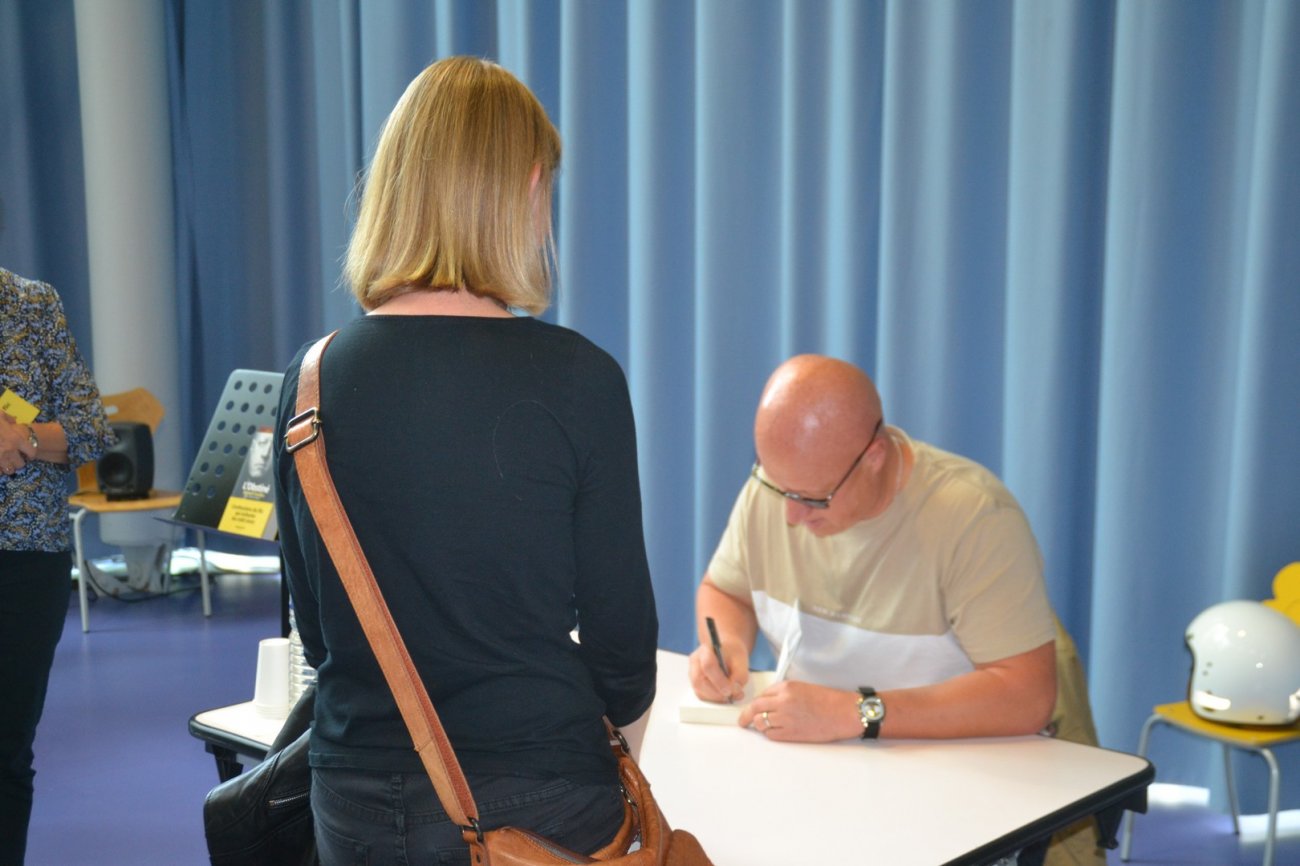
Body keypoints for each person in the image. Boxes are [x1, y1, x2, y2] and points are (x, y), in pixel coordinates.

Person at [273, 56, 658, 866]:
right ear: (527, 186)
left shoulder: (311, 380)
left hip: (351, 793)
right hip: (540, 790)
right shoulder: (581, 378)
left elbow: (319, 628)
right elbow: (623, 644)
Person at [690, 354, 1103, 865]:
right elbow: (725, 590)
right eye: (780, 488)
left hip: (963, 792)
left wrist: (856, 712)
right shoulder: (774, 492)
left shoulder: (974, 517)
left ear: (875, 456)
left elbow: (1026, 694)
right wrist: (727, 644)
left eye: (814, 498)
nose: (791, 515)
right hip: (826, 783)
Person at [0, 267, 114, 866]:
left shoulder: (31, 304)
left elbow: (91, 431)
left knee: (7, 753)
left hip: (26, 561)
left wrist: (18, 436)